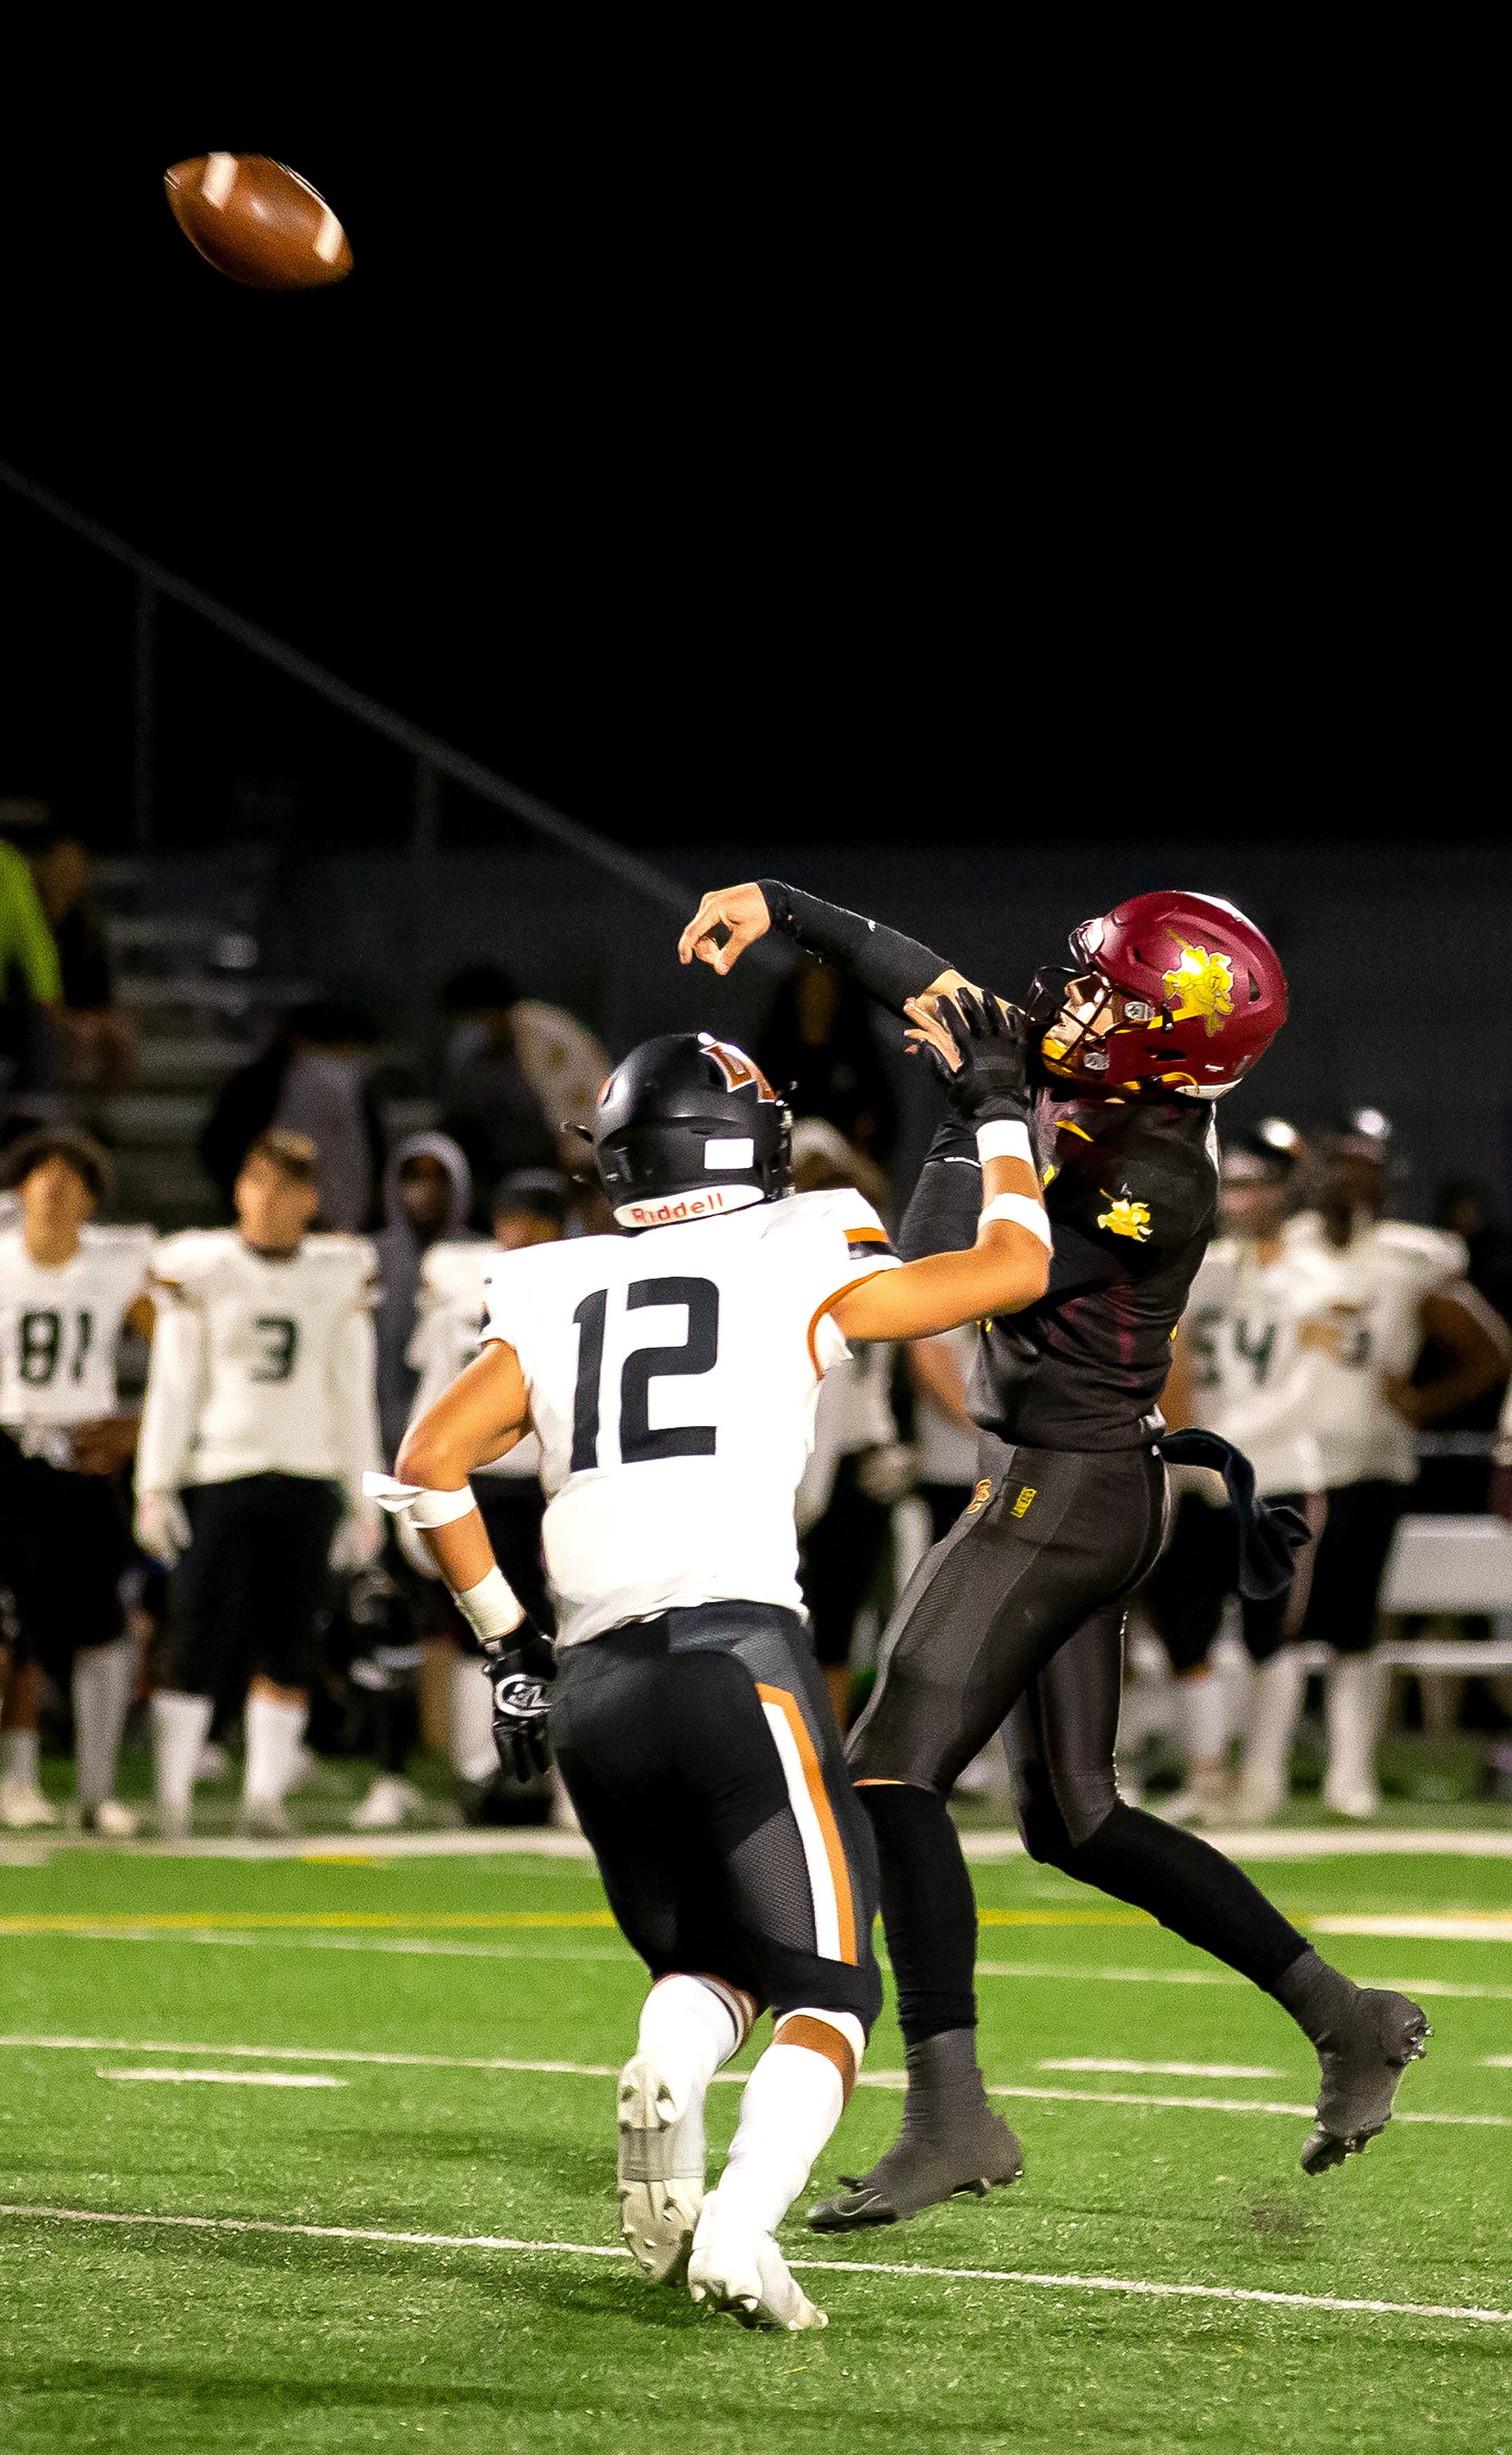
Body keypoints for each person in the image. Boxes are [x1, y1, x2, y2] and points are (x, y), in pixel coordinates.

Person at [678, 877, 1431, 2227]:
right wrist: (780, 906)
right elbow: (927, 978)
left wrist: (972, 1114)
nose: (1064, 1001)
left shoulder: (1156, 1172)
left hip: (1065, 1493)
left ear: (1167, 1037)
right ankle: (1343, 2015)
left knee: (888, 1774)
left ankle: (949, 2114)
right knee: (1076, 1820)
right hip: (1081, 1484)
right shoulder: (1094, 1074)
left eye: (1105, 993)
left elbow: (930, 1277)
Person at [375, 1016, 1051, 2328]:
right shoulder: (798, 1242)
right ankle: (743, 2223)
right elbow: (1013, 1269)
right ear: (744, 1144)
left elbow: (428, 1464)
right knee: (834, 1987)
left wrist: (508, 1640)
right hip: (736, 1654)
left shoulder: (557, 1282)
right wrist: (998, 1117)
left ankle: (673, 2066)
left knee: (716, 1962)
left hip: (593, 1682)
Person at [1251, 1114, 1510, 1816]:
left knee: (1354, 1623)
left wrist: (1423, 1404)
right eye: (1340, 1162)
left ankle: (1349, 1774)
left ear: (1388, 1180)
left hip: (1370, 1459)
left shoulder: (1408, 1257)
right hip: (1283, 1459)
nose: (1350, 1179)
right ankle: (1262, 1772)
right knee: (1272, 1619)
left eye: (1366, 1166)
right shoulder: (1280, 1249)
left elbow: (1488, 1350)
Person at [135, 1129, 384, 1837]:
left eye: (287, 1187)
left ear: (310, 1199)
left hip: (306, 1475)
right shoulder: (205, 1265)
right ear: (239, 1191)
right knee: (196, 1636)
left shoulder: (337, 1270)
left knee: (289, 1642)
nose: (271, 1200)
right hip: (220, 1471)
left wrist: (365, 1496)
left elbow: (352, 1391)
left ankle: (264, 1799)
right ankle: (172, 1799)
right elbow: (175, 1384)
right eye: (260, 1183)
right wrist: (155, 1483)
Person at [369, 1165, 569, 1829]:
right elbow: (435, 1390)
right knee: (478, 1633)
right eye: (511, 1220)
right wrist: (416, 1495)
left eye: (531, 1222)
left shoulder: (578, 1283)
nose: (518, 1233)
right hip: (479, 1482)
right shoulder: (463, 1284)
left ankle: (565, 1784)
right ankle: (482, 1772)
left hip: (552, 1480)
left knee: (568, 1628)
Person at [0, 1128, 154, 1834]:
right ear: (20, 1188)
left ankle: (96, 1791)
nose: (56, 1191)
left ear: (93, 1198)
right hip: (6, 1450)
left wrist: (141, 1425)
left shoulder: (118, 1264)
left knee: (101, 1626)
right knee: (10, 1624)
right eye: (44, 1176)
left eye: (71, 1180)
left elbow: (183, 1349)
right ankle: (18, 1778)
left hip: (83, 1454)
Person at [198, 1002, 386, 1231]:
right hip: (266, 1222)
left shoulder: (348, 1084)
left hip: (341, 1219)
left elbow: (365, 1157)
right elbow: (218, 1147)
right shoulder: (259, 1084)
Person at [373, 1133, 476, 1467]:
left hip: (456, 1438)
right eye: (414, 1178)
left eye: (437, 1179)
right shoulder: (372, 1258)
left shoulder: (480, 1258)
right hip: (379, 1429)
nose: (425, 1190)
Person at [437, 964, 558, 1208]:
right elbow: (458, 1121)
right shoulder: (471, 1064)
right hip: (489, 1185)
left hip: (543, 1179)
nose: (470, 1031)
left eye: (474, 1019)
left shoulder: (537, 1052)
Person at [757, 955, 896, 1158]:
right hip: (788, 1156)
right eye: (811, 992)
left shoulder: (858, 1057)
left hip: (843, 1159)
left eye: (825, 992)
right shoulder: (774, 1055)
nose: (816, 1001)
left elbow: (882, 1123)